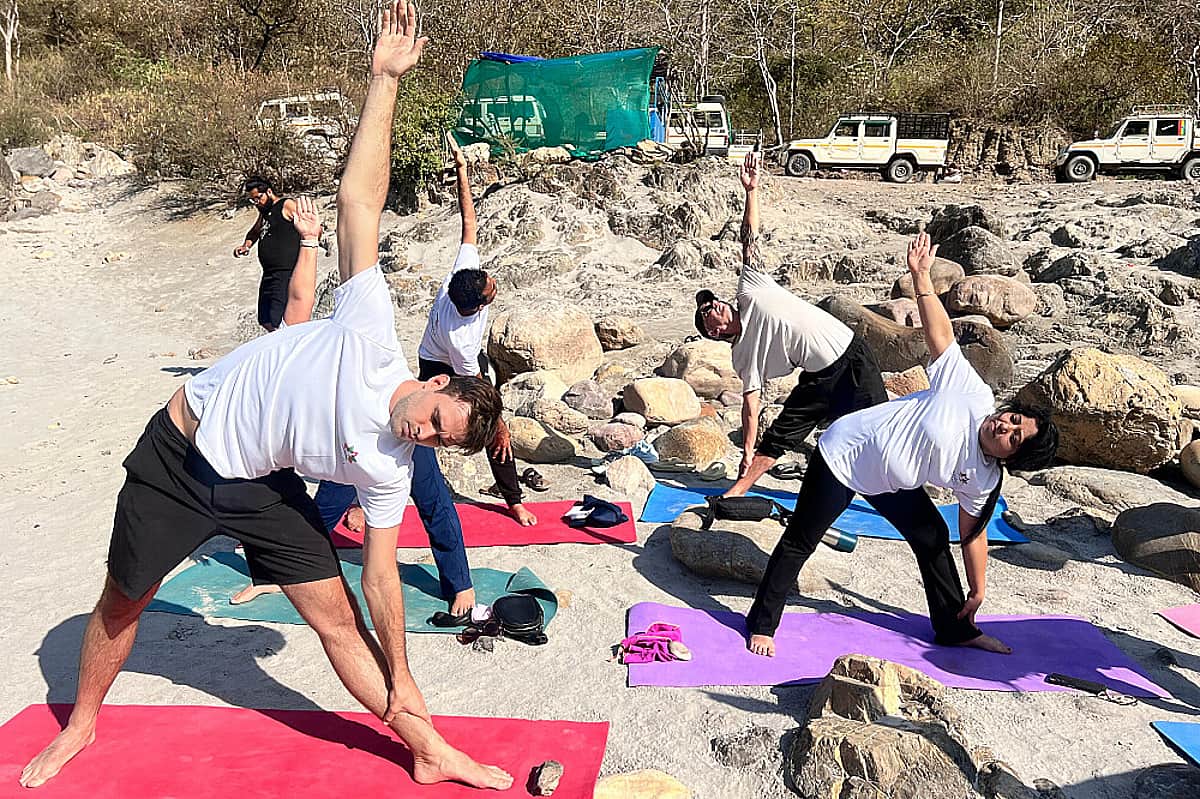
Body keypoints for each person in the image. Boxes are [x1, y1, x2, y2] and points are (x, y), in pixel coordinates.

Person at [20, 5, 513, 791]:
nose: (423, 435)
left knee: (341, 617)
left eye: (438, 442)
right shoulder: (370, 329)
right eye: (433, 419)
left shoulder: (390, 466)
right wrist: (382, 82)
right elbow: (361, 204)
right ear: (430, 381)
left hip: (259, 485)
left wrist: (406, 677)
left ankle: (426, 745)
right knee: (123, 598)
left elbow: (383, 578)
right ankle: (81, 722)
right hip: (182, 453)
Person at [743, 232, 1059, 659]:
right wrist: (922, 279)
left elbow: (973, 534)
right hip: (845, 456)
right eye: (1013, 418)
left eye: (1014, 437)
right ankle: (761, 624)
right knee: (803, 539)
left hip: (890, 482)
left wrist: (979, 589)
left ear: (1013, 457)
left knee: (931, 535)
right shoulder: (971, 395)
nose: (1005, 426)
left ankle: (956, 629)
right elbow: (941, 335)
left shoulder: (983, 478)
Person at [228, 199, 476, 620]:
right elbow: (299, 305)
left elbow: (357, 219)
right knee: (323, 506)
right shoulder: (309, 352)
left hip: (406, 421)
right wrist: (309, 241)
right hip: (354, 443)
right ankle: (273, 572)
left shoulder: (371, 341)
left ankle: (460, 583)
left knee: (433, 500)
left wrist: (311, 239)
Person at [694, 151, 886, 498]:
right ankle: (741, 486)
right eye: (708, 310)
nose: (714, 304)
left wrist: (751, 191)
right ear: (714, 332)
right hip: (817, 378)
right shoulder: (743, 355)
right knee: (779, 436)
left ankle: (893, 488)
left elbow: (749, 239)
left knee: (879, 432)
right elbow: (751, 404)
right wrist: (746, 449)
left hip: (852, 353)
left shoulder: (750, 289)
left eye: (712, 301)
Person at [415, 135, 536, 527]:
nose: (494, 280)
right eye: (491, 287)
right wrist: (497, 422)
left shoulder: (461, 276)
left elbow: (468, 222)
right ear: (478, 305)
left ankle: (511, 497)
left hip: (454, 355)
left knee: (491, 419)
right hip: (439, 362)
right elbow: (478, 387)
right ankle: (513, 498)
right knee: (489, 428)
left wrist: (463, 171)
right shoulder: (462, 338)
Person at [234, 177, 300, 332]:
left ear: (269, 192)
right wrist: (246, 245)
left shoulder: (286, 205)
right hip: (269, 273)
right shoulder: (264, 214)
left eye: (258, 198)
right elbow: (255, 232)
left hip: (286, 272)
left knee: (279, 318)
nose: (257, 203)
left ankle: (286, 349)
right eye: (253, 200)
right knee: (265, 318)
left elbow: (309, 223)